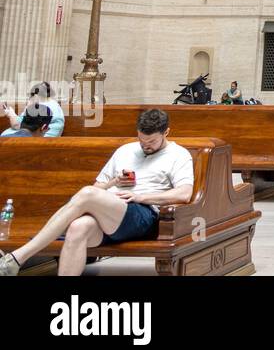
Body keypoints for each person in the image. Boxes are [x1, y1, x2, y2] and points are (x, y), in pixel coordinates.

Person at [0, 109, 193, 276]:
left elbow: (184, 194)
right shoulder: (125, 150)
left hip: (144, 214)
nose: (145, 145)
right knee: (78, 228)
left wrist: (141, 197)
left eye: (151, 141)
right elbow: (98, 186)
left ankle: (18, 257)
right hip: (111, 212)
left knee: (86, 193)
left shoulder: (178, 155)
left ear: (166, 132)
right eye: (141, 139)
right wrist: (115, 181)